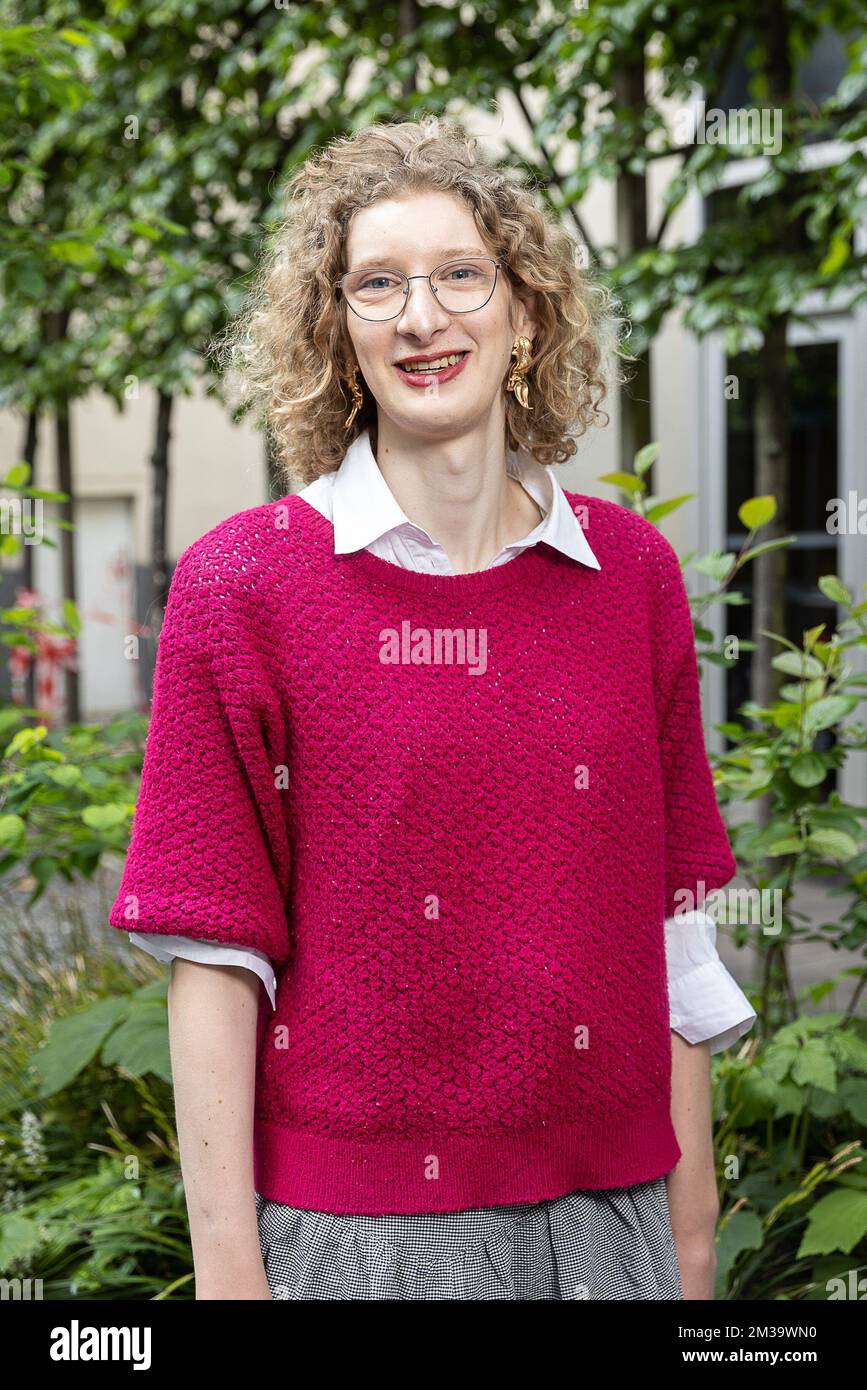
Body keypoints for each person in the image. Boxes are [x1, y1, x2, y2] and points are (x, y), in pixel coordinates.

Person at [109, 116, 755, 1301]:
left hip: (615, 1220)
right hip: (360, 1233)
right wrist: (227, 1273)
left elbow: (673, 924)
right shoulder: (242, 585)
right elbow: (213, 953)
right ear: (335, 330)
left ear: (522, 312)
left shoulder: (633, 576)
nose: (422, 316)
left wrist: (693, 1228)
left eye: (461, 274)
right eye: (377, 284)